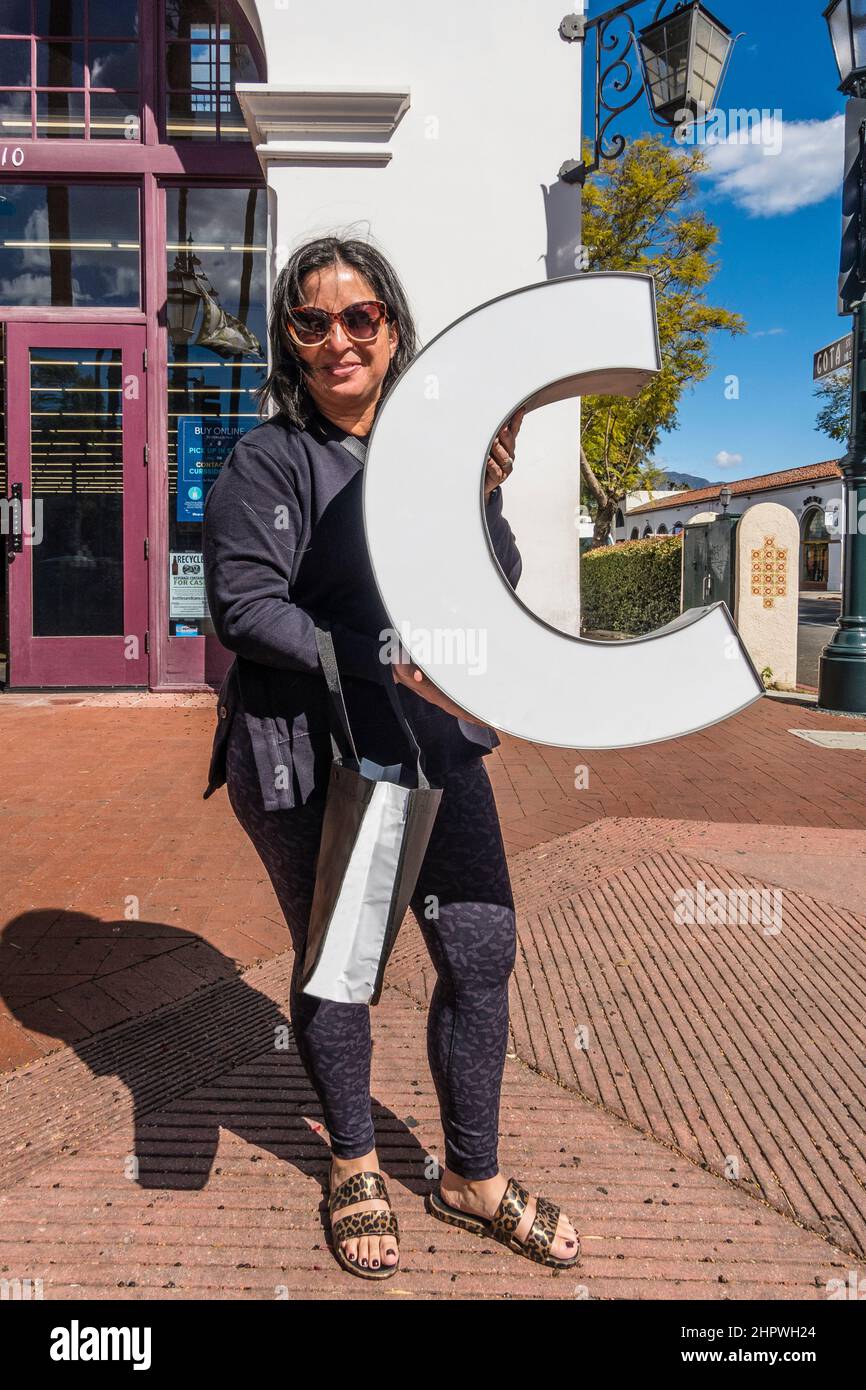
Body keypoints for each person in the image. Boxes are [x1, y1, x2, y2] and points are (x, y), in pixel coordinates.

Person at [202, 235, 580, 1280]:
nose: (337, 339)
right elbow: (245, 607)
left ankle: (471, 1173)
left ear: (392, 326)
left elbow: (485, 583)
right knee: (346, 962)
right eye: (312, 320)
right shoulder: (267, 460)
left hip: (433, 739)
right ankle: (356, 1161)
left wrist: (485, 499)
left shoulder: (437, 452)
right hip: (319, 750)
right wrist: (377, 652)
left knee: (480, 950)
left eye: (358, 316)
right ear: (289, 337)